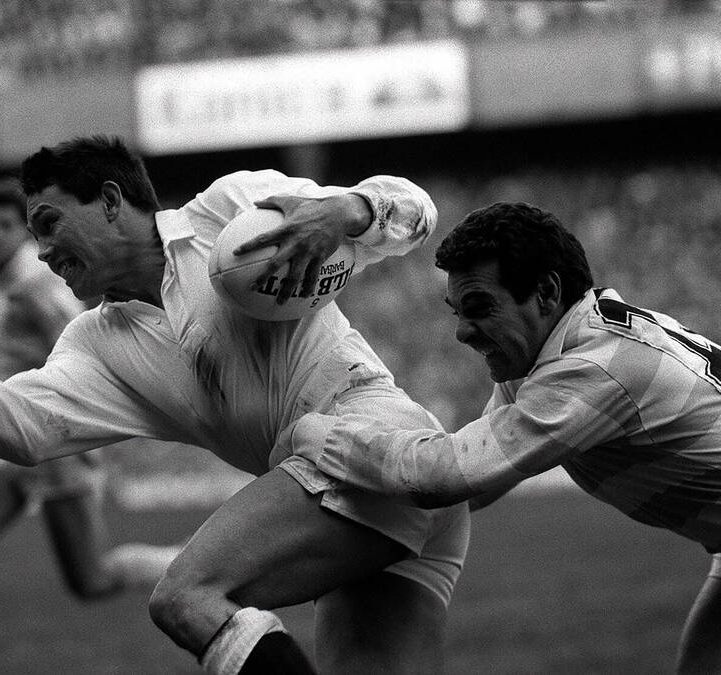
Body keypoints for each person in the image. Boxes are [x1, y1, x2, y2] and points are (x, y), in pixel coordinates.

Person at [0, 135, 470, 674]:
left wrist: (350, 209)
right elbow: (22, 426)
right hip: (354, 495)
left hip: (376, 443)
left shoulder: (229, 213)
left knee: (185, 596)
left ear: (112, 201)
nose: (39, 251)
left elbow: (416, 211)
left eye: (48, 222)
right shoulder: (98, 343)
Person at [287, 201, 721, 673]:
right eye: (456, 310)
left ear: (547, 293)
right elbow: (478, 484)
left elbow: (442, 476)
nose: (462, 332)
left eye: (478, 308)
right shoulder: (551, 349)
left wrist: (309, 431)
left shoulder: (594, 369)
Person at [0, 177, 183, 675]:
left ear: (25, 231)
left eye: (4, 225)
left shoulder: (37, 285)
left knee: (91, 580)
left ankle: (185, 564)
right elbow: (0, 358)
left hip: (57, 445)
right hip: (5, 442)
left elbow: (81, 343)